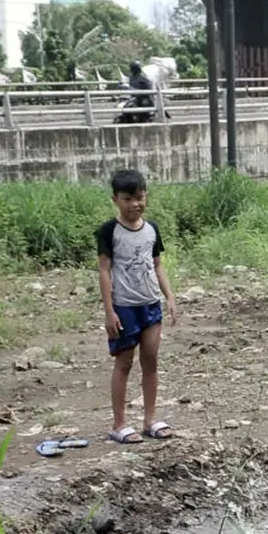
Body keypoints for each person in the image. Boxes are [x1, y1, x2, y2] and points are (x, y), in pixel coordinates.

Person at [95, 168, 176, 443]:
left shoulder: (151, 229)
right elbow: (104, 271)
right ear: (115, 199)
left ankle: (150, 420)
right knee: (124, 362)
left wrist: (170, 297)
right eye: (128, 199)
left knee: (151, 360)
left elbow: (157, 265)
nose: (135, 204)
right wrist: (109, 311)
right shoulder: (109, 231)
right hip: (124, 307)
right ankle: (119, 424)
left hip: (150, 304)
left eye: (140, 197)